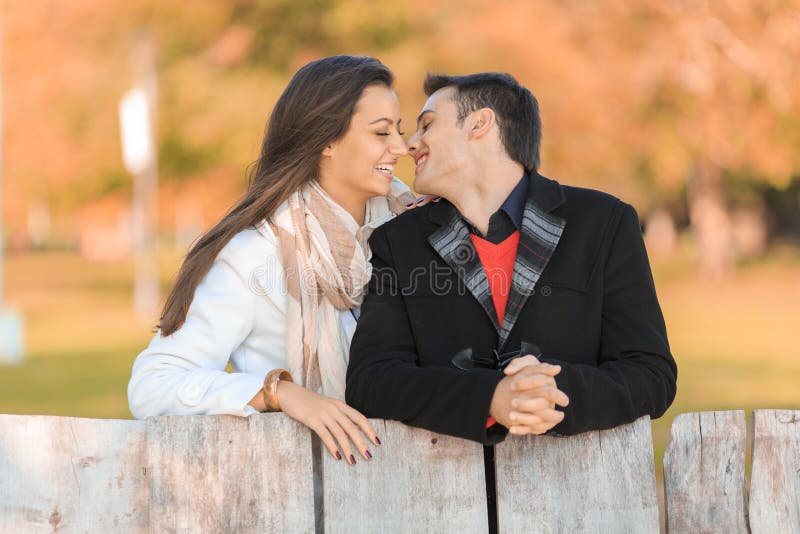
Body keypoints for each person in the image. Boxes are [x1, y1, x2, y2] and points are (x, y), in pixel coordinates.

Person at [346, 72, 677, 445]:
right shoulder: (398, 240)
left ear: (479, 124)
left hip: (579, 488)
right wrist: (489, 398)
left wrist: (553, 391)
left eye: (427, 125)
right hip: (443, 489)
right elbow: (370, 382)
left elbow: (652, 375)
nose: (409, 144)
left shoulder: (603, 222)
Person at [128, 55, 420, 465]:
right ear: (327, 141)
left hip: (419, 475)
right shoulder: (253, 254)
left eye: (400, 131)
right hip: (298, 484)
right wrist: (281, 393)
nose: (400, 147)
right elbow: (152, 385)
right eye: (381, 132)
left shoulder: (414, 231)